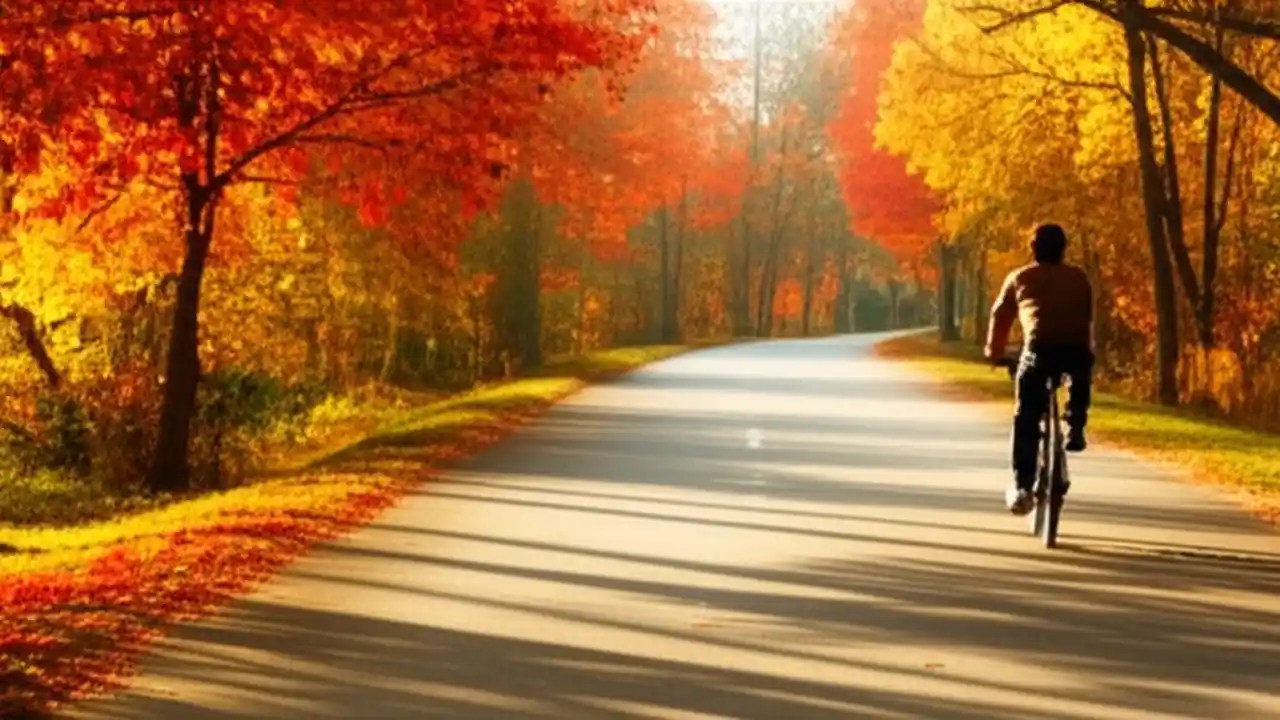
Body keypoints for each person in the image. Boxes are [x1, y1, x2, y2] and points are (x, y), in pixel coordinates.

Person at [984, 223, 1094, 516]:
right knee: (1080, 369)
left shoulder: (1020, 277)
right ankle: (1076, 425)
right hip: (1076, 351)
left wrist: (994, 354)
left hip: (1038, 351)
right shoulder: (1080, 278)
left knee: (1026, 415)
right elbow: (1086, 318)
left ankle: (1022, 485)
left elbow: (1001, 316)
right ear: (1064, 249)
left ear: (1032, 249)